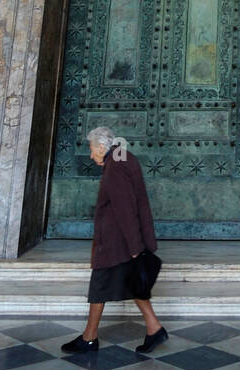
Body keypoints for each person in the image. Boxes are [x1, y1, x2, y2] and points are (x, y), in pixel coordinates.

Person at [61, 126, 167, 355]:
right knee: (133, 283)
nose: (91, 156)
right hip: (122, 242)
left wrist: (135, 247)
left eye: (92, 150)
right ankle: (154, 328)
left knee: (100, 285)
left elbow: (124, 208)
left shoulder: (115, 167)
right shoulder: (123, 157)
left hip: (115, 243)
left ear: (102, 147)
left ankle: (89, 338)